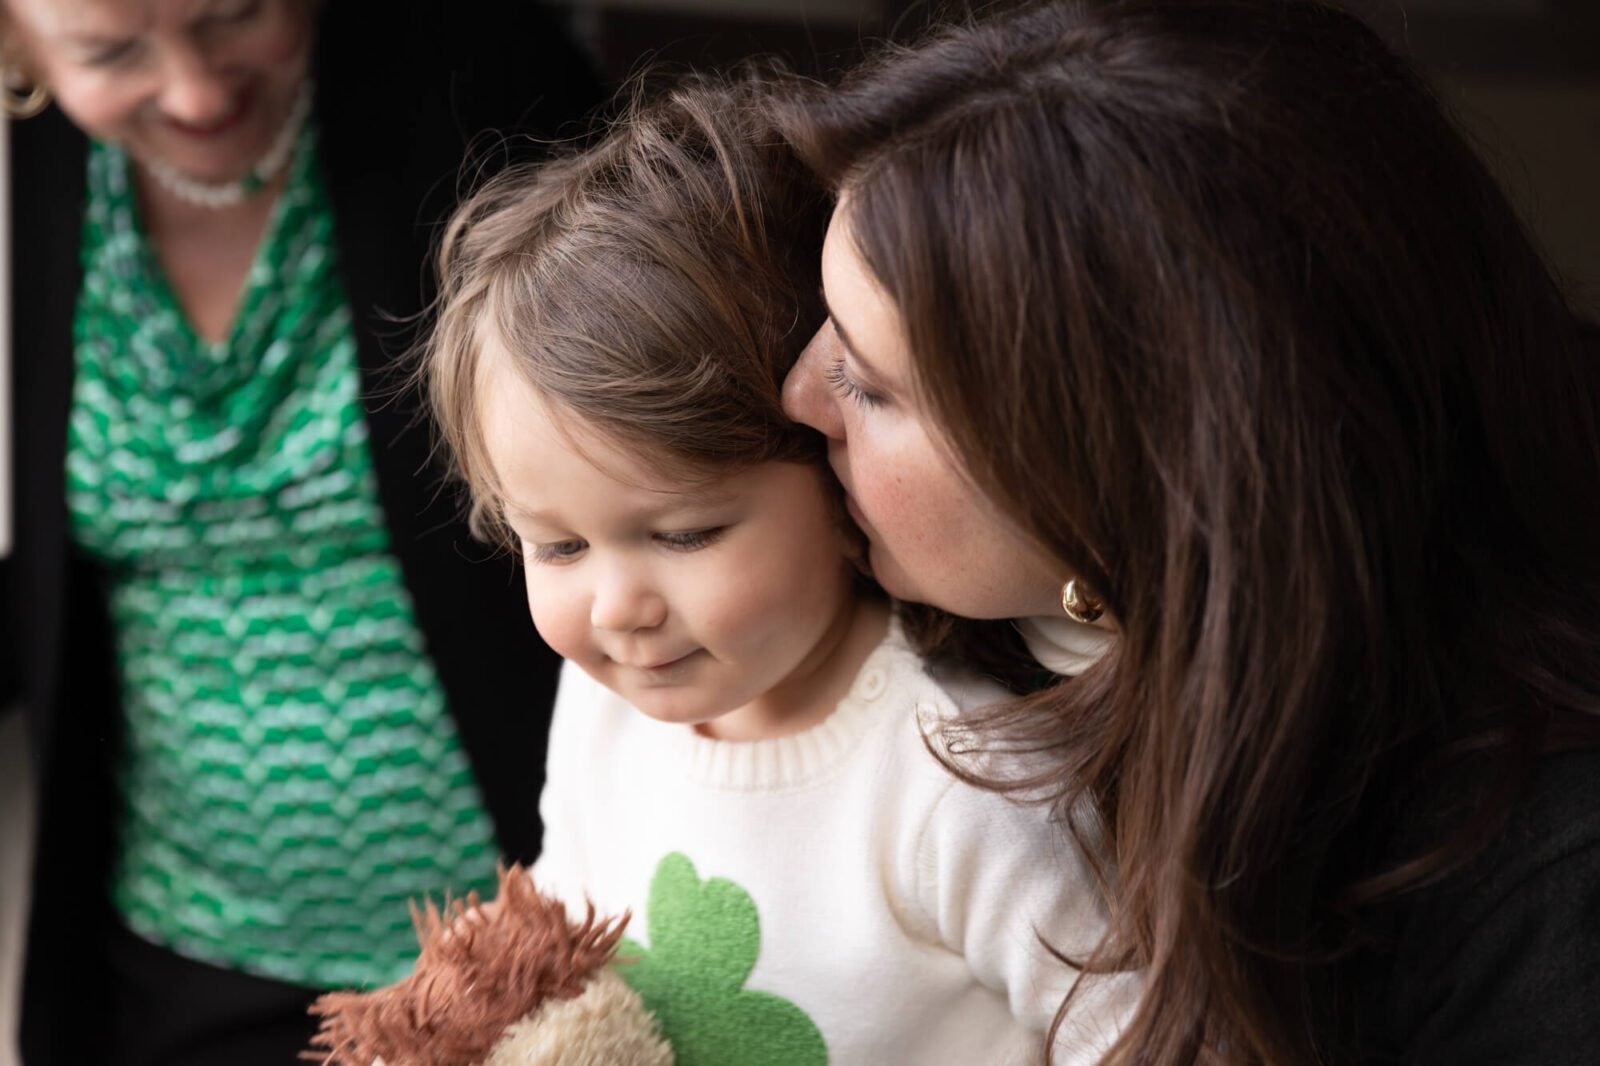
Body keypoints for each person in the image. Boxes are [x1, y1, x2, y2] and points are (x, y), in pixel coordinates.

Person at [775, 1, 1600, 1062]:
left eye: (869, 383)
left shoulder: (1539, 908)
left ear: (1123, 479)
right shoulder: (912, 626)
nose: (796, 391)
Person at [422, 76, 1140, 1065]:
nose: (616, 609)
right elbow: (559, 944)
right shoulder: (605, 711)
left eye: (683, 534)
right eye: (558, 546)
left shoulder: (962, 785)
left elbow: (1143, 1036)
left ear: (836, 483)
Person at [0, 1, 600, 1062]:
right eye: (111, 52)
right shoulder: (22, 186)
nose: (194, 89)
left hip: (530, 938)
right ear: (15, 45)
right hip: (180, 956)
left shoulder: (481, 79)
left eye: (234, 14)